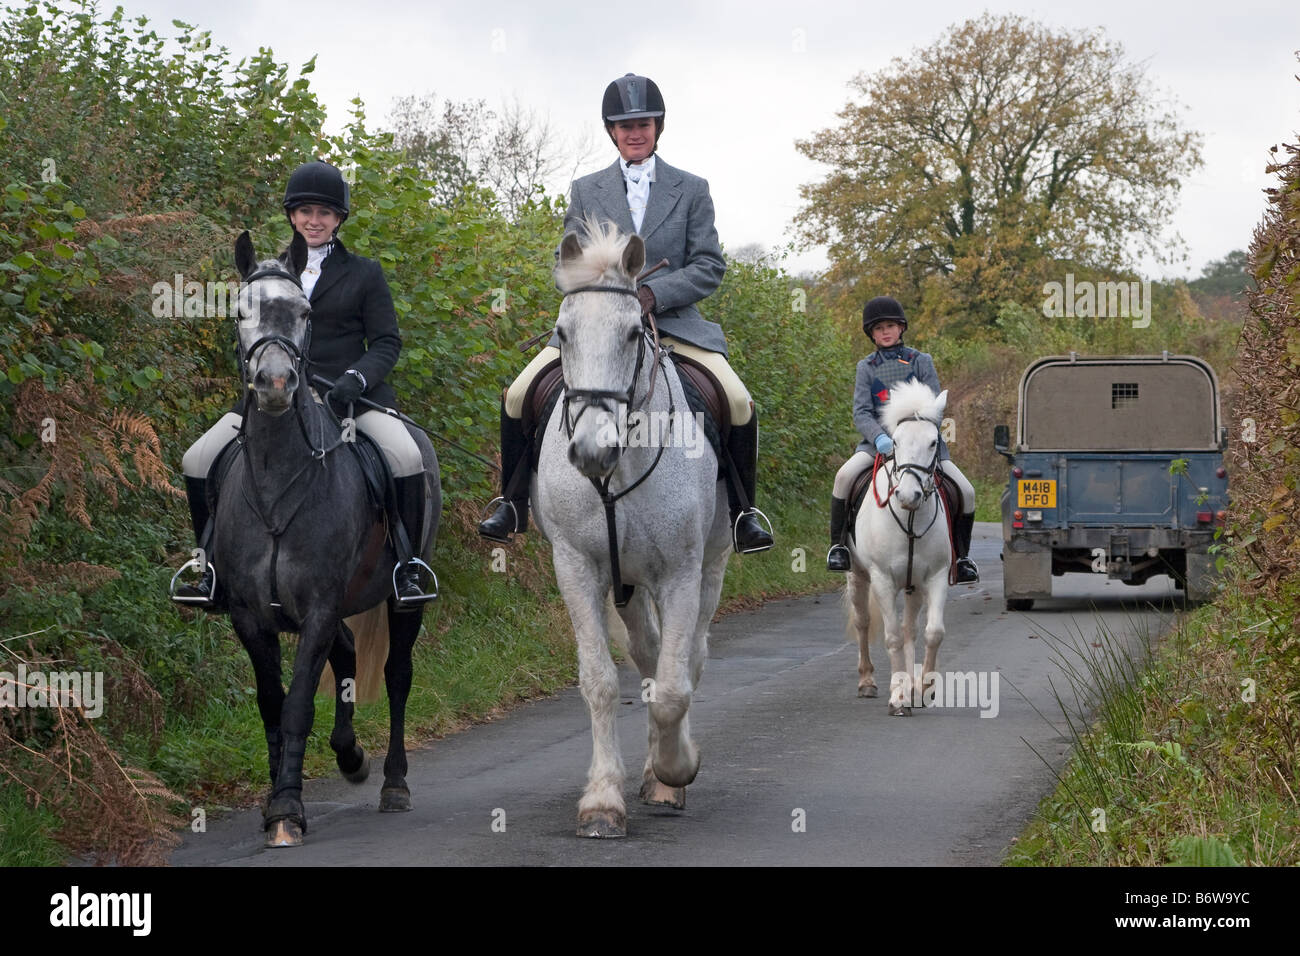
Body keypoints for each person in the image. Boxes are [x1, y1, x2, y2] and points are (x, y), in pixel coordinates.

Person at [477, 73, 773, 554]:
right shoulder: (586, 189)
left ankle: (742, 514)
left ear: (658, 127)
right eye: (624, 125)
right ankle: (511, 504)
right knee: (517, 394)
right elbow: (565, 266)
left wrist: (655, 292)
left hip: (675, 327)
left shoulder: (691, 189)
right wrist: (604, 295)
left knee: (739, 402)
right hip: (600, 329)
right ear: (611, 131)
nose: (634, 133)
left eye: (643, 124)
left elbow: (709, 265)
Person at [172, 160, 435, 609]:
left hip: (350, 401)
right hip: (273, 396)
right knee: (196, 458)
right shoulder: (269, 273)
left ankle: (408, 569)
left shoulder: (365, 273)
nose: (315, 221)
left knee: (407, 456)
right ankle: (208, 569)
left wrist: (357, 377)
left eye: (325, 213)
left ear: (339, 220)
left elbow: (388, 341)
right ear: (292, 216)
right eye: (306, 212)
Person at [826, 296, 979, 581]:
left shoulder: (921, 361)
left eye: (891, 326)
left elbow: (934, 407)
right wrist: (881, 439)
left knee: (966, 491)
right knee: (843, 477)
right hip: (878, 445)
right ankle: (838, 548)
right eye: (879, 328)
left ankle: (962, 557)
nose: (885, 332)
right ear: (871, 333)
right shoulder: (866, 367)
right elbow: (861, 412)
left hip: (921, 447)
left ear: (901, 328)